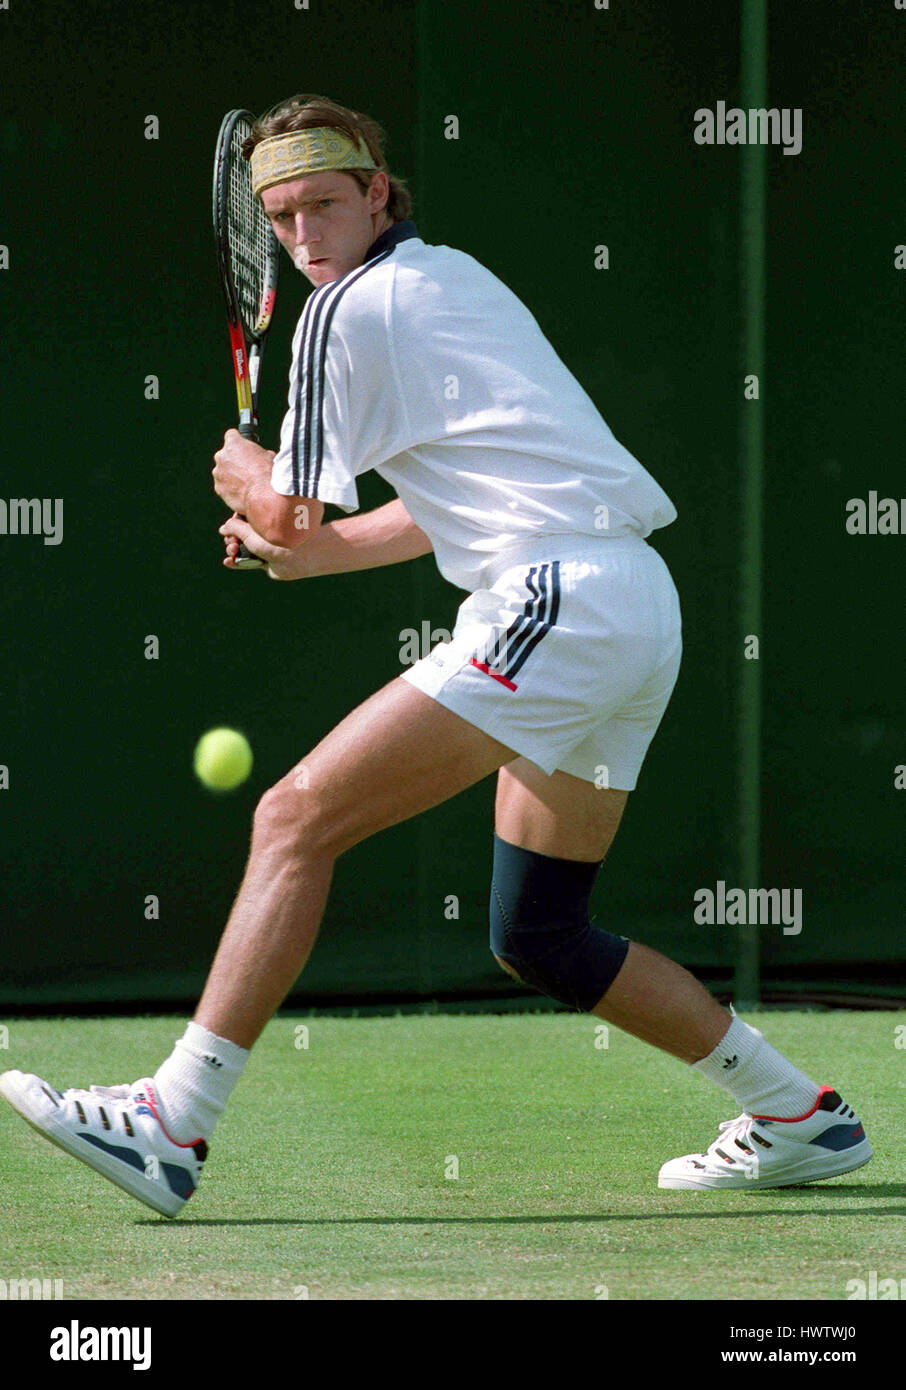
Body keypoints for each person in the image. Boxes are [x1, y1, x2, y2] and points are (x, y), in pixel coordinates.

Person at [0, 95, 870, 1217]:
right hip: (629, 603)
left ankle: (173, 1122)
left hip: (553, 600)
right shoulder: (454, 279)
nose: (305, 235)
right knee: (541, 932)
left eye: (324, 203)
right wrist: (295, 545)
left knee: (293, 816)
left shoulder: (345, 315)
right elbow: (445, 500)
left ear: (376, 193)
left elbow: (293, 513)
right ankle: (802, 1115)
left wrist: (250, 482)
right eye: (281, 217)